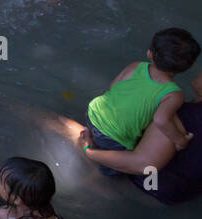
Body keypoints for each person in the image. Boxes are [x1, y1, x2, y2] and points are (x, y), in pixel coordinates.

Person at [79, 28, 198, 175]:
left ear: (149, 53)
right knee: (114, 171)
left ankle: (91, 136)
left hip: (93, 112)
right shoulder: (174, 94)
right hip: (114, 138)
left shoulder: (135, 66)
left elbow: (112, 89)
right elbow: (161, 120)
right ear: (190, 66)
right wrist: (180, 140)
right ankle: (98, 169)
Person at [75, 70, 202, 205]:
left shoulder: (181, 116)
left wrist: (89, 151)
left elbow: (143, 165)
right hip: (187, 193)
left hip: (150, 188)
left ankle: (99, 186)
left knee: (70, 130)